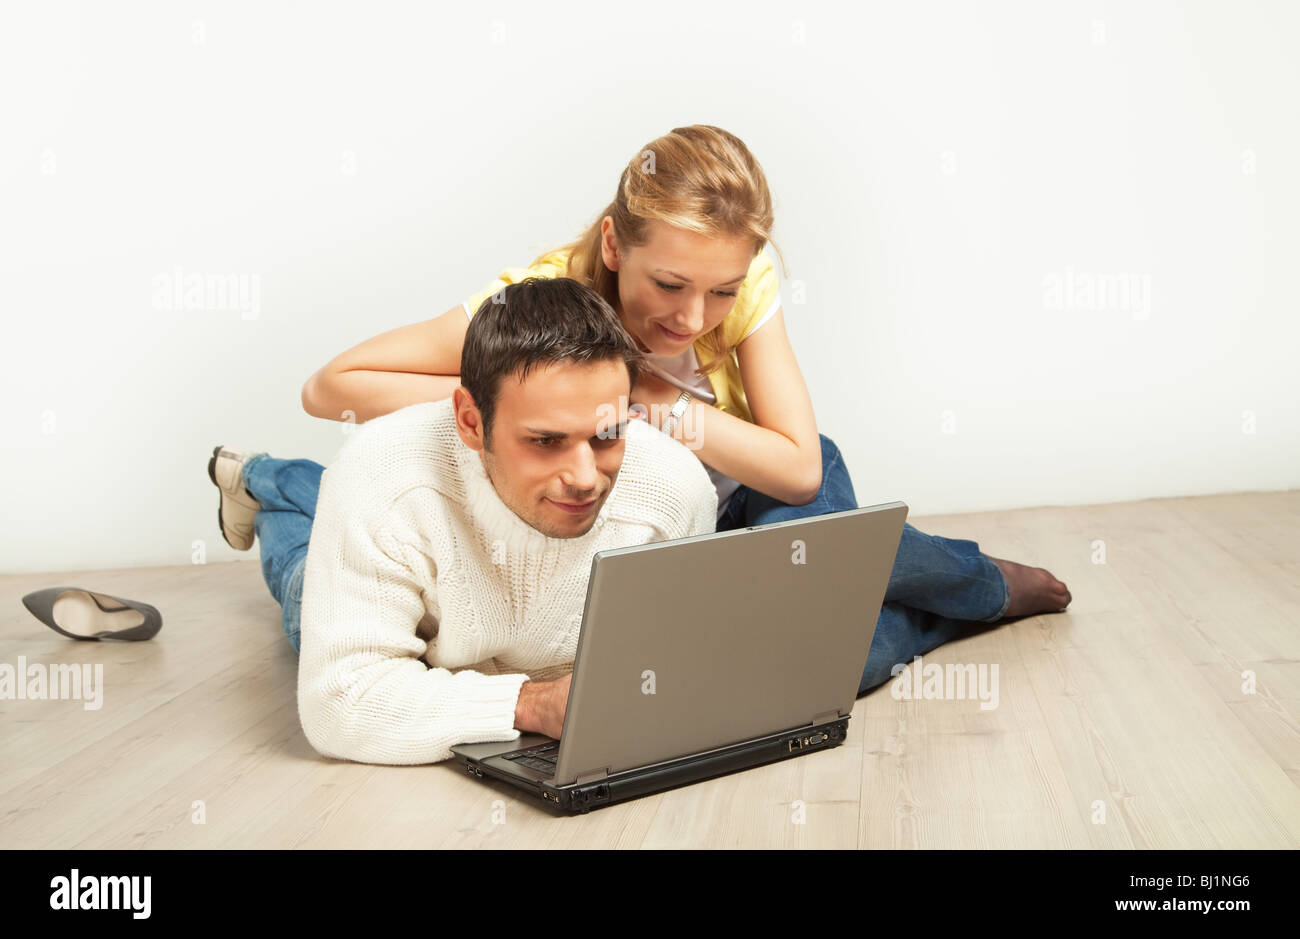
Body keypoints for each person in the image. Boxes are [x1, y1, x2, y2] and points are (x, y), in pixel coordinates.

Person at [221, 123, 1071, 703]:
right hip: (645, 514)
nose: (693, 319)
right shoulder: (537, 303)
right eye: (669, 285)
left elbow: (798, 465)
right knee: (806, 673)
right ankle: (949, 602)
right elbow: (332, 387)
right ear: (616, 244)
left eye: (721, 291)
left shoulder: (743, 294)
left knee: (818, 565)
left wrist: (656, 405)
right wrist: (549, 406)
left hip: (747, 486)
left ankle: (980, 585)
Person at [211, 278, 717, 764]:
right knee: (300, 570)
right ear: (472, 422)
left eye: (607, 435)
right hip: (415, 636)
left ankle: (266, 478)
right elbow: (342, 701)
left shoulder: (676, 489)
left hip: (441, 643)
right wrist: (531, 704)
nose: (586, 479)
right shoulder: (380, 474)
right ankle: (261, 484)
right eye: (545, 441)